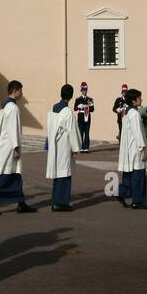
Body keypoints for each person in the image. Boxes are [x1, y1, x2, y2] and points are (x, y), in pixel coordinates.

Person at [0, 80, 35, 215]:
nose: (22, 94)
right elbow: (12, 129)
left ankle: (21, 203)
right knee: (5, 175)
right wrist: (16, 147)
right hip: (8, 147)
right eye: (20, 91)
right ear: (15, 91)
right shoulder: (12, 107)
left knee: (15, 175)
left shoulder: (5, 105)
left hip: (5, 144)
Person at [45, 84, 81, 212]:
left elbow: (49, 128)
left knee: (57, 174)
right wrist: (75, 148)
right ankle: (61, 203)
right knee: (65, 173)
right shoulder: (68, 111)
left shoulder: (53, 109)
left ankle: (55, 200)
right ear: (71, 96)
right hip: (64, 146)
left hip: (55, 145)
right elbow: (72, 130)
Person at [117, 88, 147, 209]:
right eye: (139, 98)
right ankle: (137, 201)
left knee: (129, 175)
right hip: (135, 148)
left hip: (128, 147)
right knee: (138, 175)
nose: (141, 99)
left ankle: (122, 193)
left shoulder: (126, 112)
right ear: (134, 100)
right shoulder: (135, 114)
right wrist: (142, 150)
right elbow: (137, 133)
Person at [74, 82, 94, 153]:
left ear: (87, 90)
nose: (84, 91)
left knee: (87, 132)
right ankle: (81, 147)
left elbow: (92, 109)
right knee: (81, 132)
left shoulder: (90, 99)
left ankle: (86, 147)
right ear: (81, 91)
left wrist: (87, 106)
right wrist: (78, 106)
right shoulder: (78, 99)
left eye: (85, 90)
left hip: (87, 115)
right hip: (81, 116)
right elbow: (75, 108)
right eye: (83, 90)